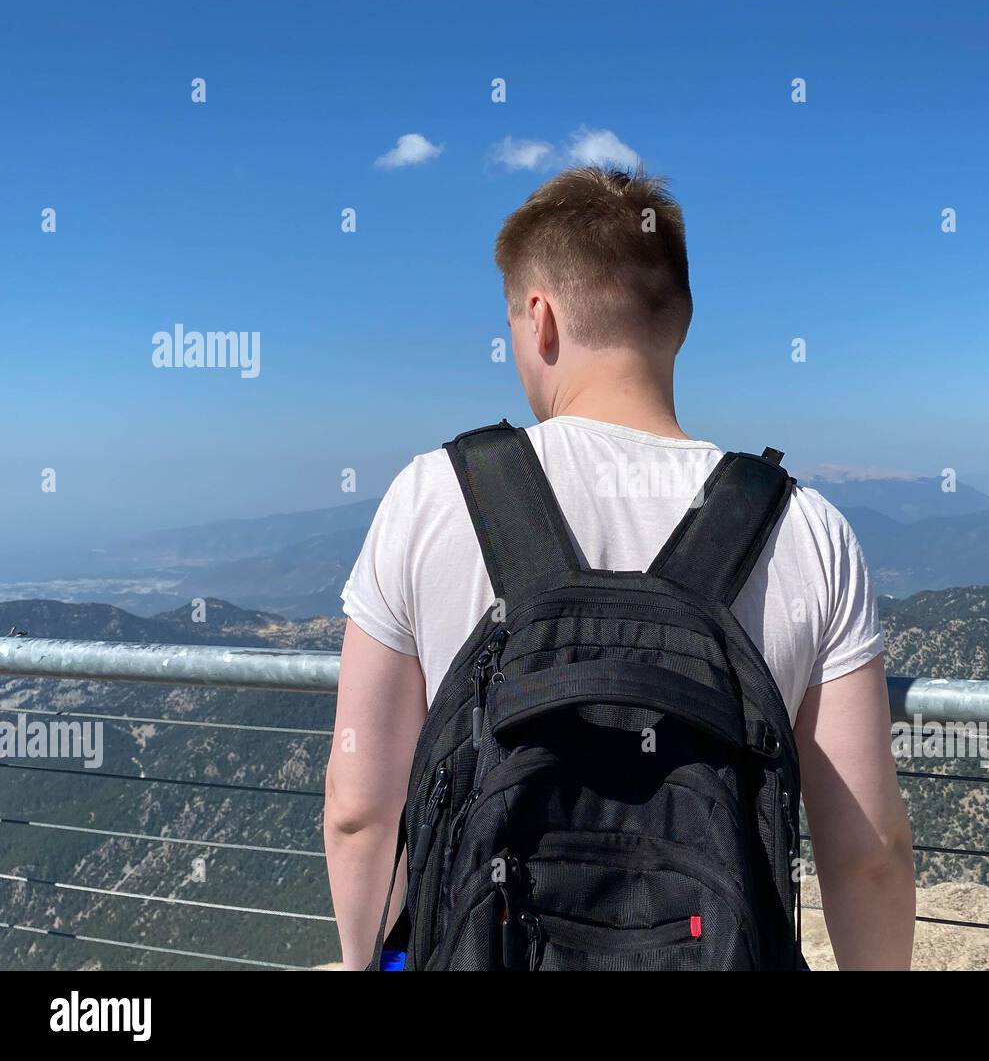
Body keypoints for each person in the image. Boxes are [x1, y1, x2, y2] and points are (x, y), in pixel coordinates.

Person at [324, 166, 915, 970]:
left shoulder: (433, 497)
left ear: (541, 320)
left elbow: (360, 810)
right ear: (681, 322)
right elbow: (868, 853)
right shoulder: (804, 530)